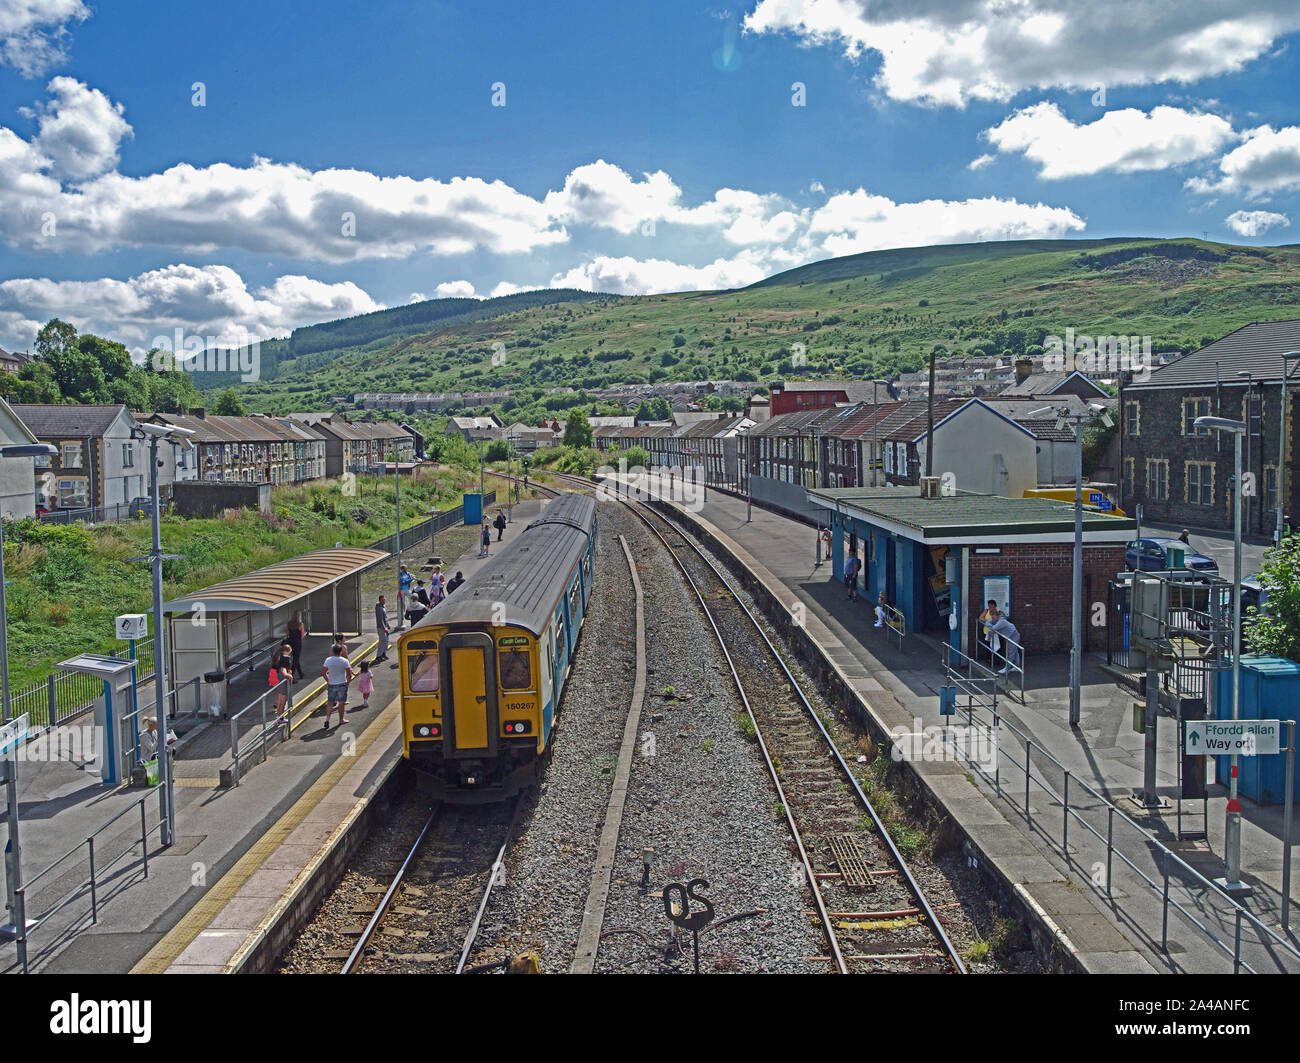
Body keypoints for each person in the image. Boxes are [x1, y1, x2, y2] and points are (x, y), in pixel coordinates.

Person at [321, 644, 354, 730]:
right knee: (341, 702)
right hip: (342, 683)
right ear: (341, 652)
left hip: (332, 684)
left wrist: (328, 681)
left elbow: (324, 673)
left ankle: (327, 719)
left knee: (330, 702)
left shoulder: (328, 660)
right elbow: (349, 674)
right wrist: (348, 682)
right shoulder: (344, 661)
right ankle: (341, 719)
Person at [270, 647, 291, 717]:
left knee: (278, 693)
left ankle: (278, 707)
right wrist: (289, 675)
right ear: (285, 651)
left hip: (273, 674)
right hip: (277, 676)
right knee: (281, 697)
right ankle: (280, 713)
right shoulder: (283, 659)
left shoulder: (277, 656)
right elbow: (284, 670)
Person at [286, 612, 306, 680]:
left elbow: (287, 633)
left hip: (291, 642)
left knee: (295, 658)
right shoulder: (300, 624)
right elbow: (302, 635)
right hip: (297, 643)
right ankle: (292, 675)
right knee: (296, 659)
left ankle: (301, 674)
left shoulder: (289, 623)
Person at [374, 595, 391, 662]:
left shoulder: (382, 607)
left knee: (386, 641)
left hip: (385, 627)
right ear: (380, 600)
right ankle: (379, 655)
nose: (384, 601)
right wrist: (384, 627)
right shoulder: (379, 608)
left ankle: (383, 653)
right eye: (382, 600)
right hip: (381, 628)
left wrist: (388, 625)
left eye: (384, 600)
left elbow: (385, 618)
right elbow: (380, 619)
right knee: (382, 641)